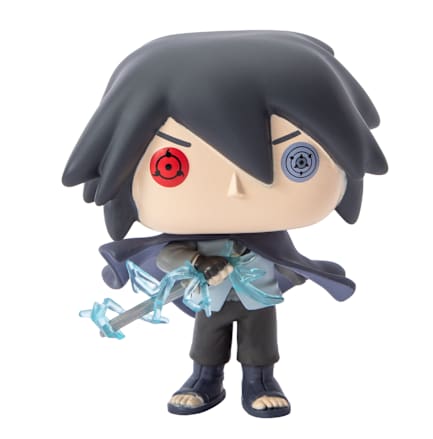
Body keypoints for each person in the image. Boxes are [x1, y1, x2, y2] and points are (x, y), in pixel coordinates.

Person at [62, 31, 388, 417]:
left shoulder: (273, 235)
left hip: (259, 299)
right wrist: (199, 263)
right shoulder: (192, 243)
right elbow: (169, 257)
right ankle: (205, 379)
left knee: (260, 345)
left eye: (297, 160)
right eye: (172, 165)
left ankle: (260, 381)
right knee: (207, 344)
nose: (236, 188)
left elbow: (285, 260)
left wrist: (295, 272)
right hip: (210, 299)